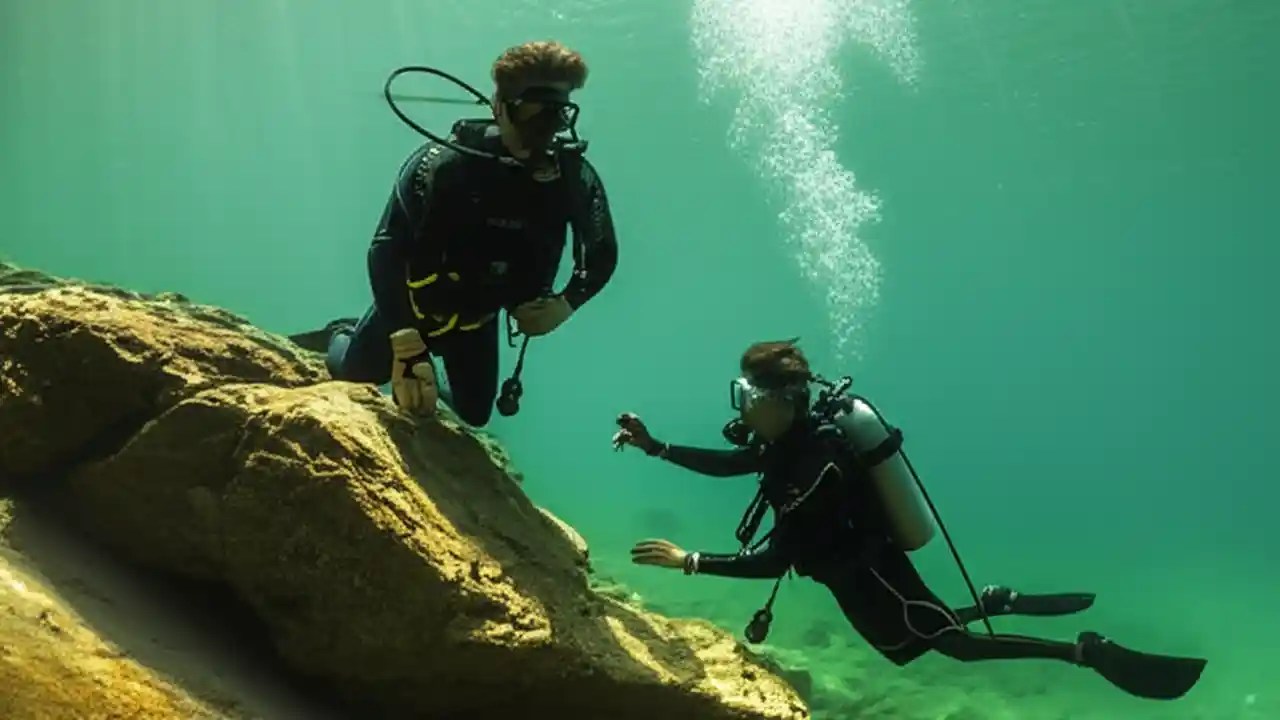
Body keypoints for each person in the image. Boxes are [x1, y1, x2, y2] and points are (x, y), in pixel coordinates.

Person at [611, 339, 1207, 702]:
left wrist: (688, 561)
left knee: (954, 646)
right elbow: (732, 464)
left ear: (780, 401)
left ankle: (1083, 652)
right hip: (852, 580)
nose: (740, 410)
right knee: (928, 635)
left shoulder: (816, 464)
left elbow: (774, 557)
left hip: (875, 576)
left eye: (746, 397)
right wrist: (656, 447)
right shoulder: (787, 445)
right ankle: (996, 600)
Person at [291, 40, 618, 427]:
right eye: (532, 111)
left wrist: (567, 304)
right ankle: (342, 330)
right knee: (350, 375)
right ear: (499, 106)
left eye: (556, 114)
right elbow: (385, 249)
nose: (543, 130)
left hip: (477, 320)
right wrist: (405, 342)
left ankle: (431, 366)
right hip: (413, 307)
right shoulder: (445, 166)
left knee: (476, 415)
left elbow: (602, 252)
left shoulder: (573, 178)